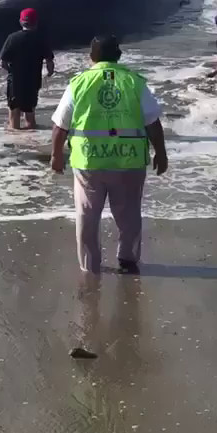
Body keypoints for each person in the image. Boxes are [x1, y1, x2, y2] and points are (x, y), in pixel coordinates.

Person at [50, 36, 168, 275]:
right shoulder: (134, 83)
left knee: (87, 214)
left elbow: (60, 125)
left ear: (91, 57)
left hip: (89, 161)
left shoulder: (79, 83)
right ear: (119, 56)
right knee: (129, 214)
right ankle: (128, 259)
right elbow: (152, 123)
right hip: (129, 160)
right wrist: (161, 153)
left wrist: (56, 155)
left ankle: (90, 264)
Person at [0, 8, 55, 130]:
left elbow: (2, 62)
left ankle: (17, 145)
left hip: (15, 82)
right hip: (33, 81)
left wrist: (11, 72)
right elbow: (49, 61)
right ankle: (31, 143)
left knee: (14, 114)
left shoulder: (12, 38)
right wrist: (49, 73)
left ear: (21, 21)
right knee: (30, 115)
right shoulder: (41, 39)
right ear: (36, 22)